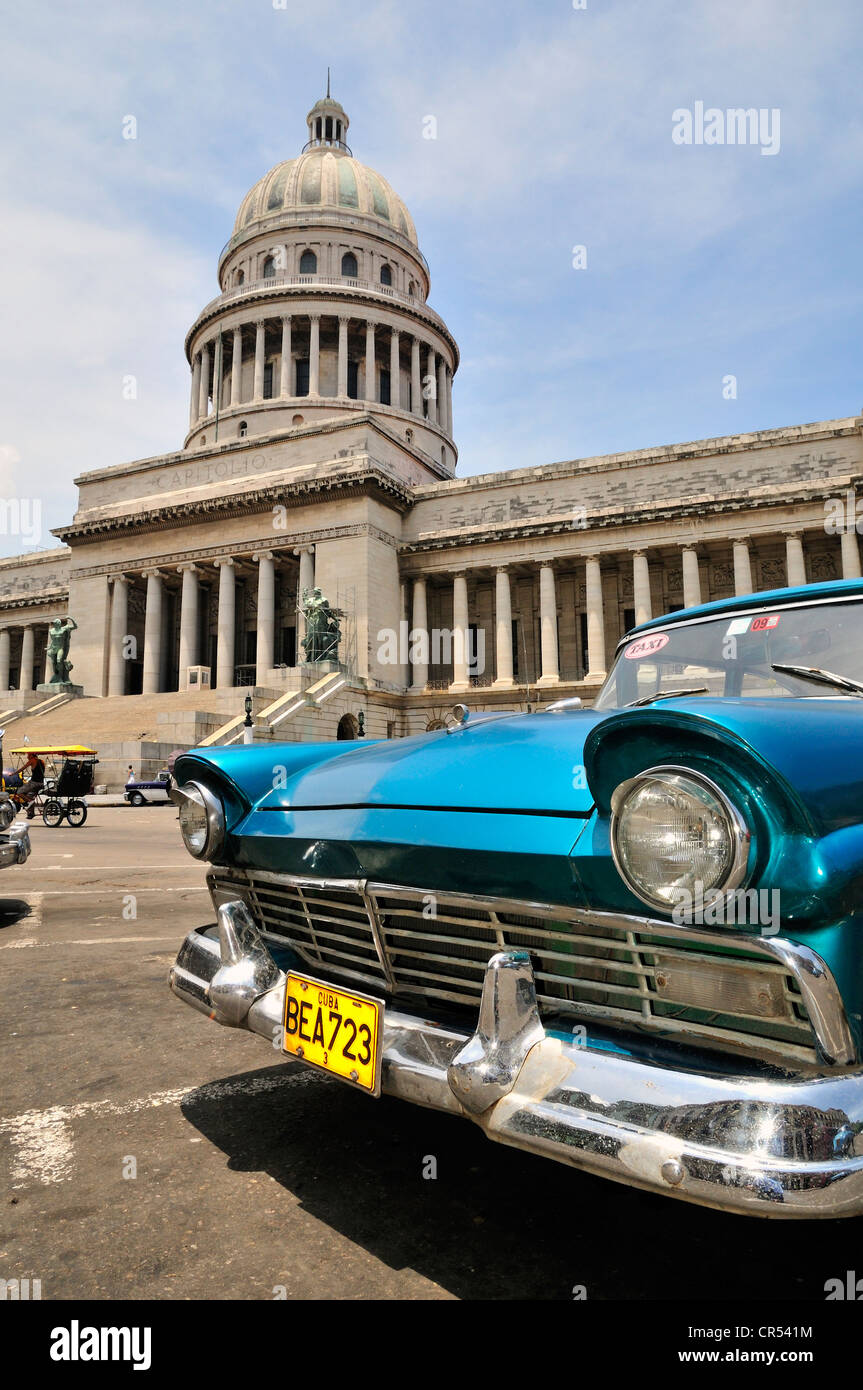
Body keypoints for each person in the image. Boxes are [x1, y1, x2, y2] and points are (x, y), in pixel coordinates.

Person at [19, 751, 45, 819]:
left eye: (28, 755)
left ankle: (30, 802)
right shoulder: (42, 761)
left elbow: (22, 768)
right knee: (29, 795)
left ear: (32, 756)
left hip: (34, 783)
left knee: (19, 792)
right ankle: (31, 814)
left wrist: (12, 774)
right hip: (41, 783)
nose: (27, 757)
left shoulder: (32, 760)